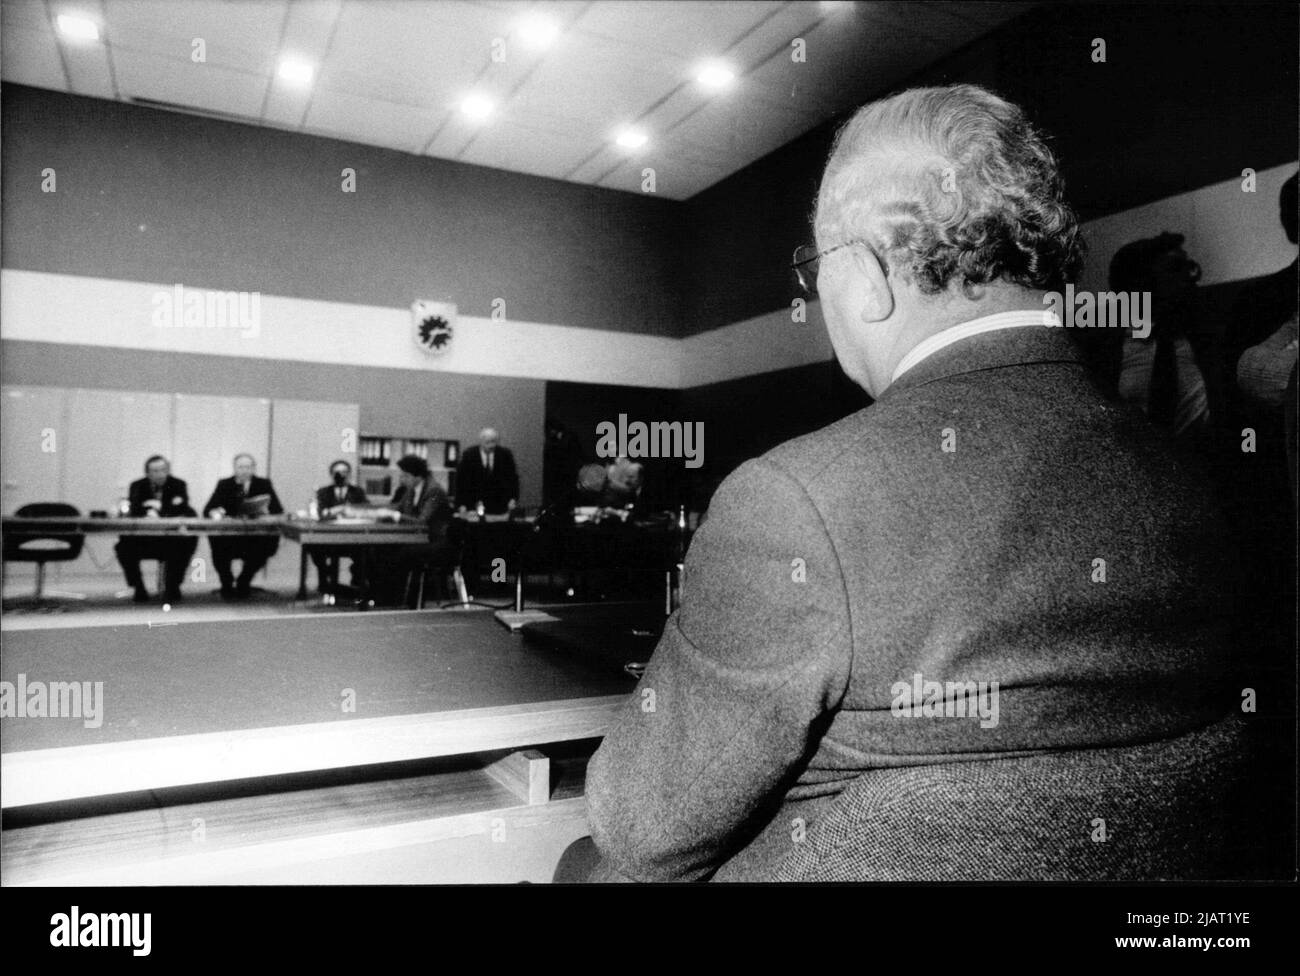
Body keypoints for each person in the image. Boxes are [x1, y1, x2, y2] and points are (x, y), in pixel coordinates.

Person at [563, 85, 1239, 882]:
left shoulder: (793, 502)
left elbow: (644, 826)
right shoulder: (1200, 482)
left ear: (866, 276)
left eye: (814, 270)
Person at [1111, 232, 1212, 444]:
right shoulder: (1106, 350)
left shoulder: (1208, 340)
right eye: (1175, 268)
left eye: (1190, 265)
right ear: (1140, 282)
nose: (1192, 276)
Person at [368, 454, 452, 606]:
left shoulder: (434, 491)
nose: (402, 479)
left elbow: (422, 521)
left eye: (405, 476)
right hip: (416, 539)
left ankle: (400, 599)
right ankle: (385, 597)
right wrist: (382, 513)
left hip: (434, 541)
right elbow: (398, 509)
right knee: (379, 549)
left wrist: (394, 515)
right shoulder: (410, 490)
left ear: (418, 476)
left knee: (401, 553)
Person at [114, 455, 198, 603]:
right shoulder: (137, 485)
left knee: (187, 542)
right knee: (123, 547)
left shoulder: (178, 484)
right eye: (155, 470)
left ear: (168, 470)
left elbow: (182, 508)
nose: (159, 474)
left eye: (163, 470)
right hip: (144, 538)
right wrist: (151, 510)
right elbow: (134, 508)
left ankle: (173, 585)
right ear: (147, 472)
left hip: (170, 538)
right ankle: (138, 587)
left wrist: (159, 508)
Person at [203, 453, 284, 599]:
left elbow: (278, 509)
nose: (244, 470)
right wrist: (216, 512)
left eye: (248, 467)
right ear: (234, 468)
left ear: (254, 468)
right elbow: (208, 509)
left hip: (255, 535)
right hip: (230, 536)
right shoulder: (224, 484)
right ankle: (226, 583)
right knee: (218, 544)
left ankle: (244, 580)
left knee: (264, 545)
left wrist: (265, 511)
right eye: (240, 467)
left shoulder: (263, 484)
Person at [311, 459, 368, 596]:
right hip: (327, 536)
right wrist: (336, 510)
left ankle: (356, 585)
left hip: (352, 537)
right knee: (314, 547)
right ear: (332, 474)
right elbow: (320, 512)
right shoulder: (324, 491)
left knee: (365, 551)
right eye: (338, 472)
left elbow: (365, 509)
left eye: (345, 472)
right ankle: (326, 578)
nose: (342, 475)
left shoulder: (357, 491)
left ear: (349, 474)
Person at [455, 427, 518, 515]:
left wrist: (513, 499)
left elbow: (513, 480)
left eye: (493, 442)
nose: (491, 445)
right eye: (488, 442)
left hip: (499, 506)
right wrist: (461, 504)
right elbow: (461, 482)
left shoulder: (505, 455)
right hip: (474, 505)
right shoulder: (469, 455)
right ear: (481, 442)